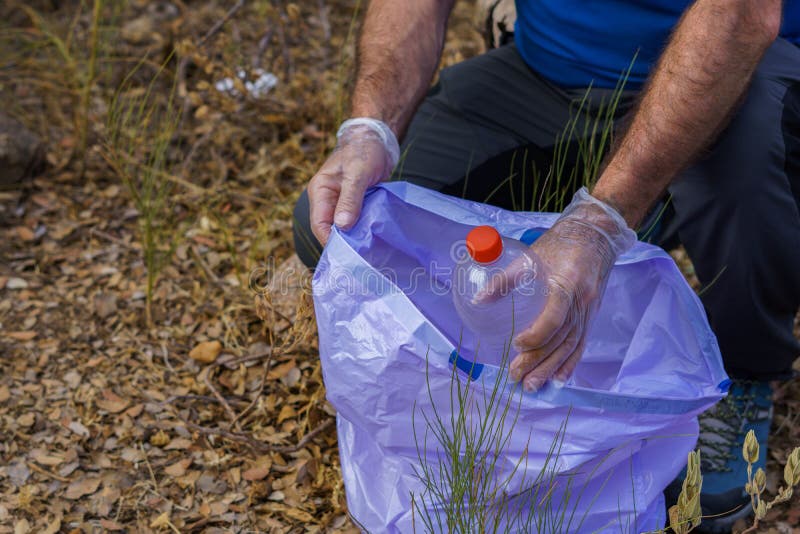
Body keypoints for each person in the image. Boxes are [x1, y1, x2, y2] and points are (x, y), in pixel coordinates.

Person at [293, 0, 800, 530]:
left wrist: (595, 227)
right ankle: (471, 373)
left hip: (730, 73)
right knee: (349, 221)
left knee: (757, 163)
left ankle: (742, 371)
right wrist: (370, 128)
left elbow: (740, 16)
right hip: (546, 74)